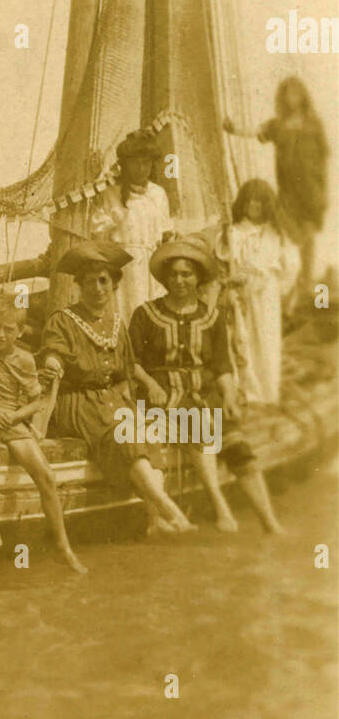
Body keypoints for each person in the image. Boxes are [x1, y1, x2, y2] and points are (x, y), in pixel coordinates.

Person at [40, 240, 196, 537]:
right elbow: (53, 351)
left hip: (113, 399)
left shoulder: (116, 323)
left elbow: (126, 371)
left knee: (146, 434)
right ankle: (171, 510)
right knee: (125, 440)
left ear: (113, 286)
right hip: (79, 402)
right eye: (90, 282)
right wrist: (52, 362)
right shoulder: (64, 320)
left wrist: (134, 408)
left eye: (104, 281)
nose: (98, 288)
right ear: (79, 286)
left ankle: (155, 521)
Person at [128, 239, 283, 533]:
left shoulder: (212, 316)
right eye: (173, 274)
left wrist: (229, 395)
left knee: (238, 446)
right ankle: (220, 507)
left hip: (204, 394)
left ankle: (269, 522)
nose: (180, 280)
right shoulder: (146, 314)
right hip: (162, 396)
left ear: (198, 277)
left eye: (186, 274)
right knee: (196, 425)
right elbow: (131, 362)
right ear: (165, 278)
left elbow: (221, 365)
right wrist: (149, 385)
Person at [0, 300, 87, 573]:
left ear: (20, 332)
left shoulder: (23, 359)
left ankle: (63, 546)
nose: (0, 334)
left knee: (45, 475)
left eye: (8, 329)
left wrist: (13, 417)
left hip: (12, 420)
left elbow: (37, 403)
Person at [223, 78, 328, 302]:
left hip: (311, 190)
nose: (292, 99)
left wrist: (324, 192)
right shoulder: (278, 125)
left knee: (308, 238)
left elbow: (323, 158)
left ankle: (305, 286)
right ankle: (289, 287)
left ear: (303, 96)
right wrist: (233, 129)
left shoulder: (313, 125)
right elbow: (255, 131)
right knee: (289, 236)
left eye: (296, 94)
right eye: (288, 94)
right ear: (283, 98)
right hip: (288, 190)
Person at [215, 180, 299, 405]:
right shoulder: (234, 231)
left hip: (266, 293)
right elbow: (222, 261)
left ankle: (267, 392)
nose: (254, 205)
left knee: (268, 340)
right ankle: (247, 392)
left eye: (259, 201)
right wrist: (231, 279)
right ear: (243, 202)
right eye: (250, 200)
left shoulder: (275, 233)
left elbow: (290, 263)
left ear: (267, 205)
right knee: (243, 340)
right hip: (241, 291)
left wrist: (277, 287)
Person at [90, 129, 173, 322]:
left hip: (151, 268)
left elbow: (164, 233)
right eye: (135, 162)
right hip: (122, 268)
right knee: (124, 315)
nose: (141, 168)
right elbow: (99, 236)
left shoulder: (158, 194)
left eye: (146, 163)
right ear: (124, 164)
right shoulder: (111, 193)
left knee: (151, 316)